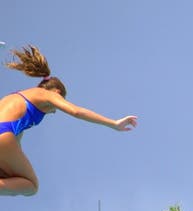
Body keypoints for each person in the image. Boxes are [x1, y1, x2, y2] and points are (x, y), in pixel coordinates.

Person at [0, 45, 137, 196]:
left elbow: (16, 137)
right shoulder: (48, 94)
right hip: (4, 135)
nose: (53, 111)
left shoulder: (17, 97)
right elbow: (76, 111)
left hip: (6, 136)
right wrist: (114, 124)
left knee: (9, 179)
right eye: (56, 107)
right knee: (30, 186)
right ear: (57, 93)